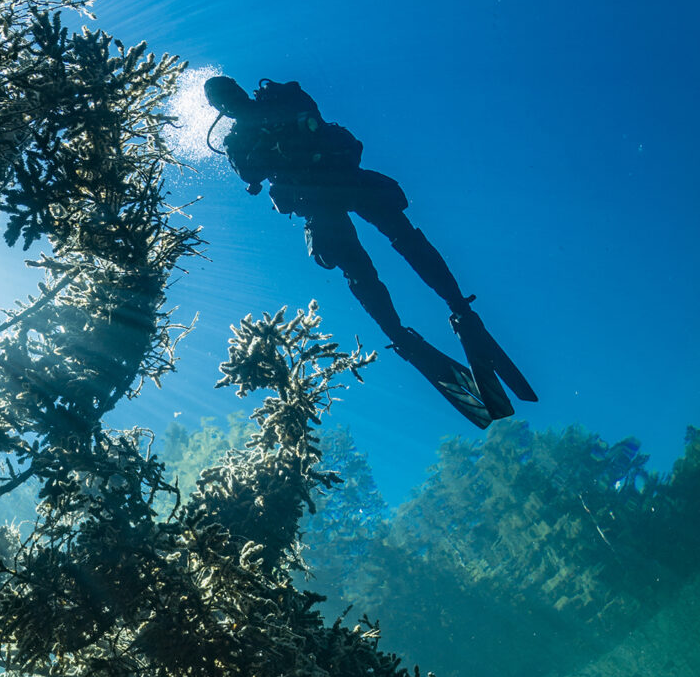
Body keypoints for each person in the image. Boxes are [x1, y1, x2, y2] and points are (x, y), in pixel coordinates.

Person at [203, 75, 537, 427]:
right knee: (366, 266)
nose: (227, 103)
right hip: (320, 200)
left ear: (238, 91)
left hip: (338, 181)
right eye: (219, 101)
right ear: (217, 109)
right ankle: (404, 334)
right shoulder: (238, 139)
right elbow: (250, 176)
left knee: (401, 242)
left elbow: (309, 117)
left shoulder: (277, 99)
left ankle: (457, 311)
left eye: (227, 94)